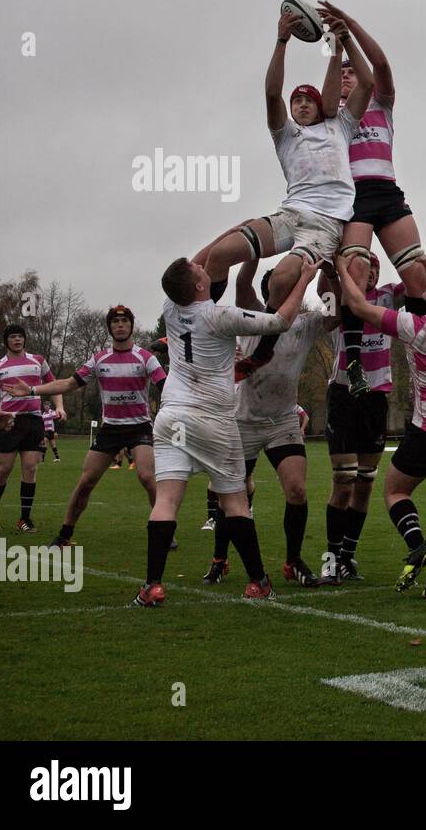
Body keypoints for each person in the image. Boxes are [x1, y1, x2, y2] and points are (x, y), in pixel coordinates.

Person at [191, 8, 372, 379]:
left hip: (324, 226)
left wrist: (343, 45)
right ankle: (196, 331)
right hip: (290, 214)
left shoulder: (340, 127)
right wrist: (281, 40)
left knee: (281, 279)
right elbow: (272, 91)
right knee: (221, 255)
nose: (303, 104)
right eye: (297, 101)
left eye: (309, 99)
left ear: (321, 104)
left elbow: (366, 84)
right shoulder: (286, 134)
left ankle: (263, 352)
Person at [134, 254, 320, 607]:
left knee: (166, 501)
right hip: (212, 419)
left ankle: (152, 585)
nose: (205, 266)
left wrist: (233, 246)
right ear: (200, 285)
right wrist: (304, 280)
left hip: (171, 417)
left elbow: (196, 264)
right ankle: (258, 581)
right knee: (235, 501)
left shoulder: (171, 308)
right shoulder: (219, 316)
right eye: (200, 270)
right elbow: (281, 320)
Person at [317, 1, 426, 396]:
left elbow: (381, 66)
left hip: (385, 191)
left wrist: (349, 28)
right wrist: (336, 49)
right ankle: (353, 363)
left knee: (416, 275)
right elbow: (330, 91)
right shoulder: (334, 115)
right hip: (353, 197)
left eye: (354, 72)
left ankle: (423, 354)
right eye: (345, 74)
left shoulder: (382, 105)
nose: (350, 78)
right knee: (353, 273)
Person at [335, 261, 426, 599]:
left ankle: (416, 544)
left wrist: (342, 266)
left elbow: (358, 306)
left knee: (395, 491)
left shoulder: (417, 327)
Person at [203, 259, 336, 587]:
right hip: (243, 420)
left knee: (297, 490)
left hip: (282, 420)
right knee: (231, 494)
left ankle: (293, 561)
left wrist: (329, 272)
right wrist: (253, 250)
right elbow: (243, 284)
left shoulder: (303, 325)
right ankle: (220, 559)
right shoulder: (254, 314)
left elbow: (335, 313)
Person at [6, 306, 165, 548]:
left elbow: (166, 385)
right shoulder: (99, 359)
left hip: (139, 427)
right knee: (86, 482)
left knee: (146, 476)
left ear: (131, 326)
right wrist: (31, 389)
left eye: (124, 321)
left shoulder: (146, 358)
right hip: (110, 429)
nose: (120, 325)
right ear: (110, 327)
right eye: (115, 322)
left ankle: (164, 528)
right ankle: (64, 535)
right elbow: (69, 384)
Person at [318, 257, 402, 583]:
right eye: (364, 269)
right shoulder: (342, 297)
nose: (370, 275)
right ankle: (330, 560)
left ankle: (348, 558)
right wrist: (331, 269)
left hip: (376, 398)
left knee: (365, 483)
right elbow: (323, 289)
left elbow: (416, 284)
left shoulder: (387, 296)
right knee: (343, 481)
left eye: (374, 270)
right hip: (343, 395)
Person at [0, 324, 64, 533]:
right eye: (13, 337)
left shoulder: (38, 361)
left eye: (20, 336)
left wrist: (60, 406)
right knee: (3, 470)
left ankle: (25, 519)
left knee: (30, 467)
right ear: (6, 341)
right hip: (8, 422)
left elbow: (54, 384)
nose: (17, 340)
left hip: (34, 421)